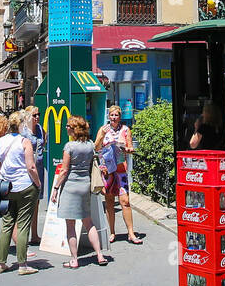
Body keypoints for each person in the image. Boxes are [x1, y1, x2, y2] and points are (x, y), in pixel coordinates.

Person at [53, 118, 106, 268]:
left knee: (70, 225)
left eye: (68, 126)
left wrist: (56, 188)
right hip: (85, 185)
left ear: (74, 129)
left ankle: (74, 259)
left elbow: (64, 170)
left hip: (70, 186)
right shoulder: (89, 145)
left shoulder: (69, 146)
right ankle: (100, 255)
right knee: (88, 222)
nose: (66, 128)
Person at [0, 112, 42, 275]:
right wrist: (38, 183)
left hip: (7, 187)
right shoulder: (24, 141)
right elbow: (31, 167)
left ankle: (1, 263)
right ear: (21, 125)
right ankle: (22, 264)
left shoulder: (1, 141)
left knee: (6, 224)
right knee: (22, 225)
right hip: (24, 186)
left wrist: (0, 179)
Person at [95, 105, 144, 245]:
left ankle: (131, 233)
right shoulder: (103, 129)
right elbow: (96, 147)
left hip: (121, 170)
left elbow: (130, 147)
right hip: (108, 171)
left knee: (125, 201)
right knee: (109, 201)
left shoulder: (125, 130)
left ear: (120, 116)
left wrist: (126, 148)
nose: (114, 118)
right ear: (108, 116)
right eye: (112, 115)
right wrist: (102, 137)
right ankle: (111, 232)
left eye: (116, 115)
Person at [21, 107, 45, 248]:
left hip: (39, 168)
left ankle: (34, 234)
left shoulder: (40, 129)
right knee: (26, 202)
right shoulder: (23, 131)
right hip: (27, 169)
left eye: (38, 114)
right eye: (34, 115)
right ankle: (23, 236)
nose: (37, 117)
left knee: (36, 202)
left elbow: (44, 142)